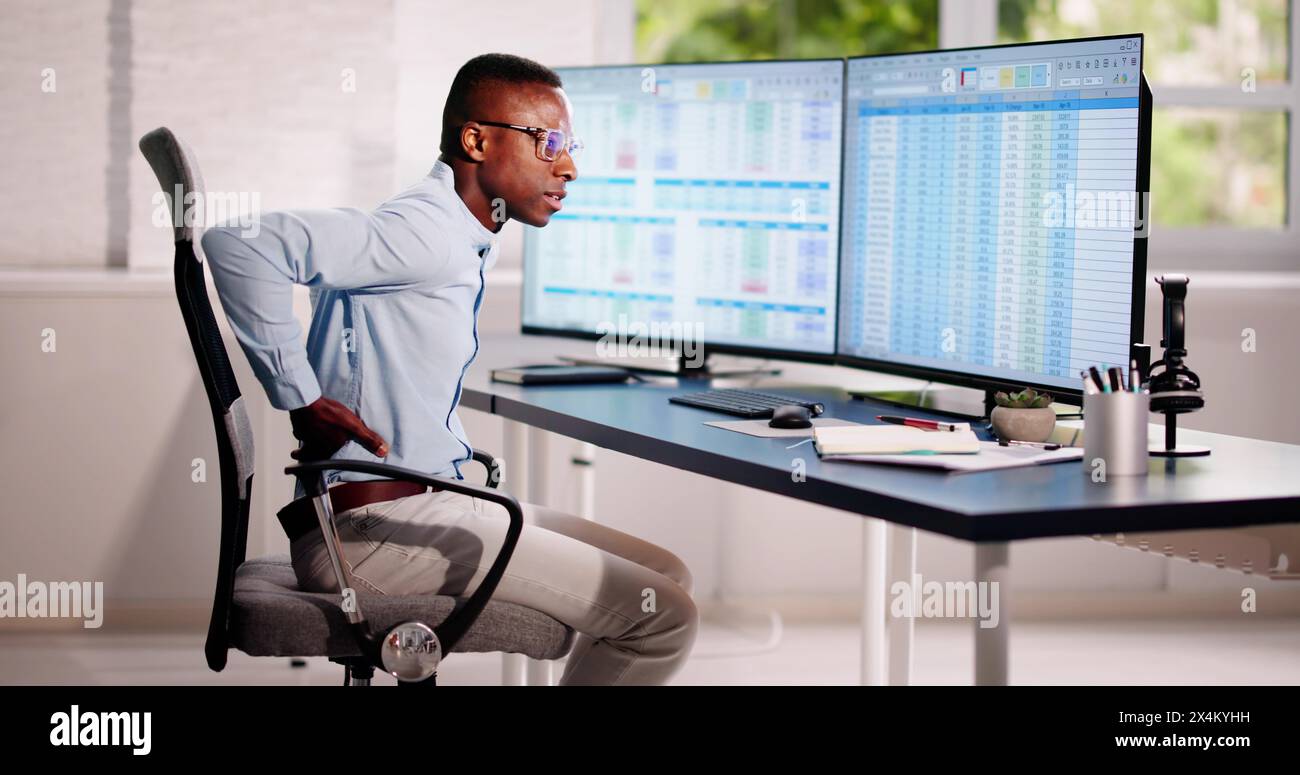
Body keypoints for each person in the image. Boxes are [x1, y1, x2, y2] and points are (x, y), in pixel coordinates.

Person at [201, 53, 698, 685]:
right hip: (372, 534)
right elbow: (239, 243)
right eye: (547, 143)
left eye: (569, 146)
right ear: (476, 140)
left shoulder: (453, 231)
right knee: (665, 617)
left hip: (427, 504)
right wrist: (300, 397)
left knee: (667, 579)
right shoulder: (423, 232)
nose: (568, 167)